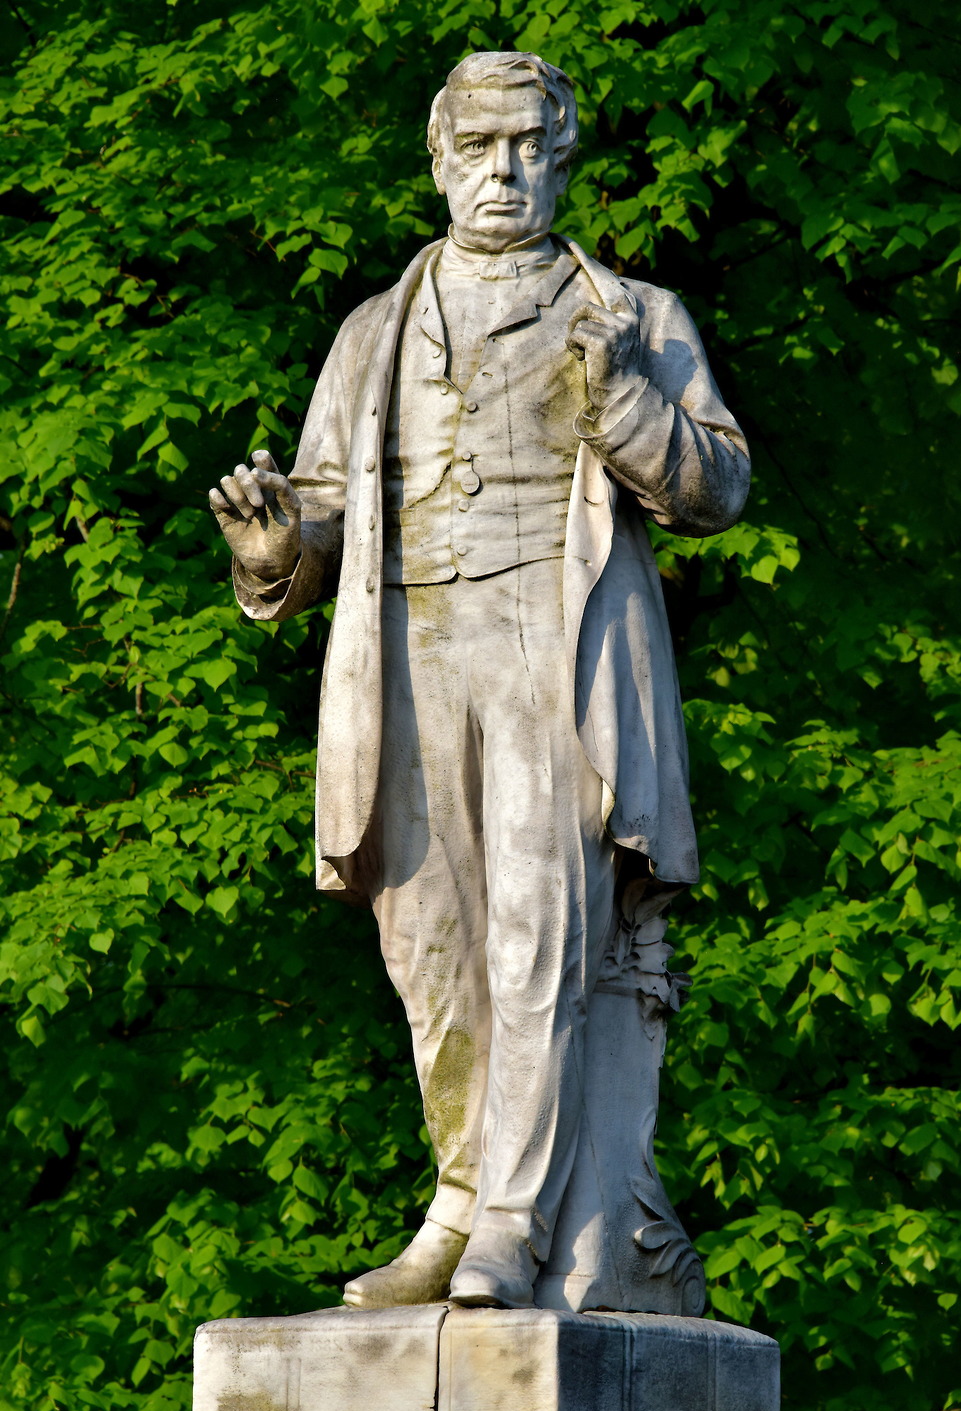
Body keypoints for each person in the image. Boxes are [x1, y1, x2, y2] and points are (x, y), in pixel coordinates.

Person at [209, 51, 750, 1311]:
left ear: (559, 159)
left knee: (539, 933)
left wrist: (622, 404)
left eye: (525, 148)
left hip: (553, 643)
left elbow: (716, 489)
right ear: (441, 161)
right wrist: (277, 548)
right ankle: (460, 1199)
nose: (501, 173)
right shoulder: (371, 332)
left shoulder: (634, 316)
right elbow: (334, 503)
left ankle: (517, 1220)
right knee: (431, 944)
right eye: (478, 149)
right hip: (409, 651)